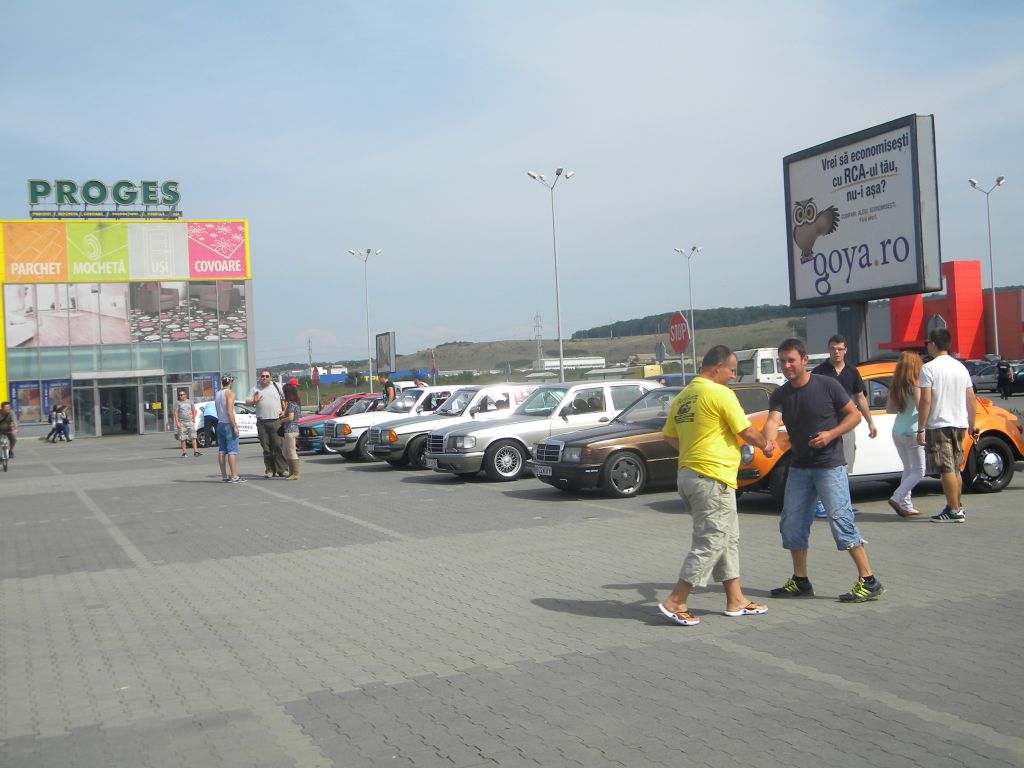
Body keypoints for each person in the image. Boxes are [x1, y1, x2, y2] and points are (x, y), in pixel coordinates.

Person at [657, 345, 776, 626]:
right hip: (712, 478)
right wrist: (766, 445)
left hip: (689, 475)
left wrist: (697, 444)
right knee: (711, 541)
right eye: (732, 370)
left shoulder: (684, 396)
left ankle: (735, 599)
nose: (734, 376)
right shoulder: (720, 393)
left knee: (727, 538)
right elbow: (745, 430)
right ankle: (676, 600)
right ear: (717, 368)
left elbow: (670, 438)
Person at [762, 338, 885, 603]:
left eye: (791, 360)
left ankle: (869, 580)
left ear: (804, 360)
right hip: (799, 468)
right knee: (792, 523)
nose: (786, 366)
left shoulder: (827, 385)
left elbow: (853, 415)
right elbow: (773, 420)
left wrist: (831, 434)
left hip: (829, 466)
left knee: (841, 521)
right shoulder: (781, 394)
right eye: (782, 361)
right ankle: (800, 581)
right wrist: (769, 441)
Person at [810, 334, 876, 517]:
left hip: (847, 424)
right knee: (824, 464)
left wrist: (870, 421)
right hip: (825, 426)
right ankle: (820, 504)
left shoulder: (852, 372)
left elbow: (860, 398)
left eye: (839, 349)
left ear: (845, 350)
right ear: (828, 350)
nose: (836, 352)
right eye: (833, 348)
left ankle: (843, 504)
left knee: (845, 464)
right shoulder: (819, 372)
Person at [918, 328, 978, 522]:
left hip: (939, 423)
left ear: (934, 344)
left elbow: (926, 401)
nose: (927, 346)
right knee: (955, 466)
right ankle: (956, 505)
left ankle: (954, 510)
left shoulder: (928, 368)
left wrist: (921, 428)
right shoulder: (960, 367)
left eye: (928, 342)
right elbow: (971, 398)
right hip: (959, 423)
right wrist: (972, 424)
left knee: (946, 469)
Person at [885, 351, 925, 517]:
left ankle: (906, 504)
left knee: (908, 469)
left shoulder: (896, 385)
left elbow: (889, 409)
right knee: (920, 470)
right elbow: (921, 405)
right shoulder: (915, 383)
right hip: (912, 431)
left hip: (898, 430)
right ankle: (897, 497)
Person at [246, 369, 288, 478]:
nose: (264, 378)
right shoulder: (255, 389)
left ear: (270, 377)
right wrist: (254, 401)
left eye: (266, 376)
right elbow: (247, 403)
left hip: (276, 421)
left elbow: (287, 399)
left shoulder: (277, 386)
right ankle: (270, 470)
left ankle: (282, 469)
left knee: (278, 446)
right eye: (262, 376)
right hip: (262, 422)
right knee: (266, 448)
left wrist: (284, 411)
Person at [215, 374, 245, 483]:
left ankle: (224, 475)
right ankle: (234, 476)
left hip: (220, 423)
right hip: (228, 424)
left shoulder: (218, 394)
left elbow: (218, 410)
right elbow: (229, 411)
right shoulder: (230, 394)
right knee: (232, 450)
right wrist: (235, 426)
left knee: (222, 450)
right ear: (230, 382)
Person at [281, 383, 302, 480]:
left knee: (291, 451)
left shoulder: (291, 404)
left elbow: (290, 417)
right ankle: (292, 472)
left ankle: (295, 473)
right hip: (293, 429)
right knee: (287, 451)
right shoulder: (296, 403)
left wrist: (281, 420)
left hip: (290, 429)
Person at [174, 389, 201, 457]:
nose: (180, 396)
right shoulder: (178, 403)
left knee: (193, 437)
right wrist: (177, 422)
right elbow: (176, 413)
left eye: (182, 395)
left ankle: (196, 451)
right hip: (182, 423)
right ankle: (184, 452)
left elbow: (194, 410)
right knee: (183, 438)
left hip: (190, 422)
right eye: (179, 395)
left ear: (185, 395)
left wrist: (193, 418)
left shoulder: (190, 401)